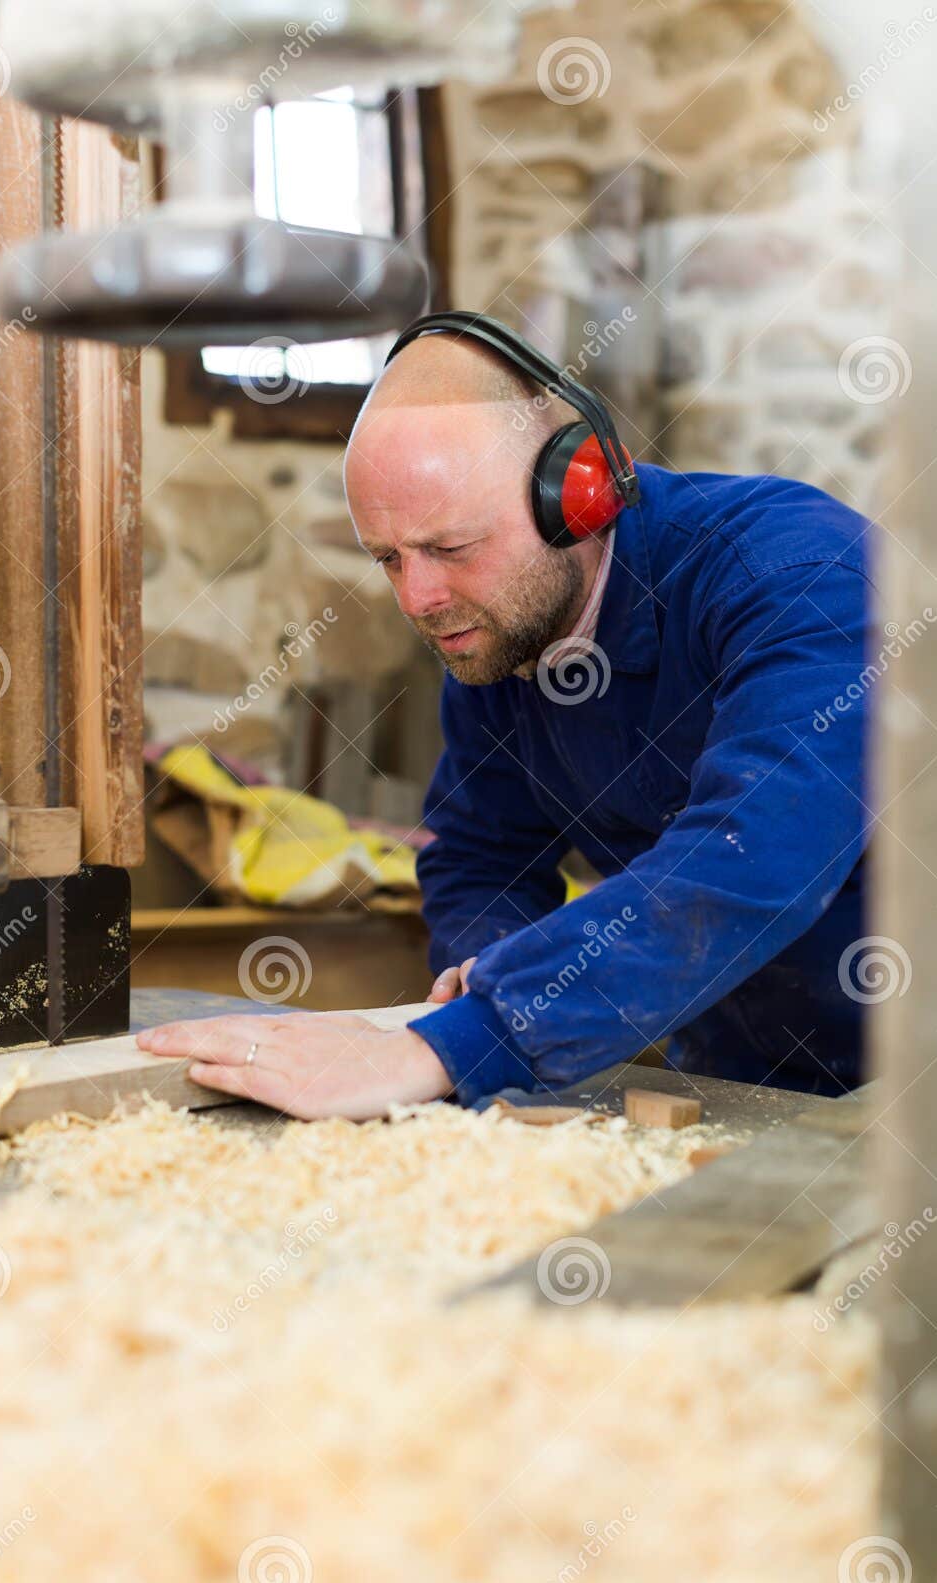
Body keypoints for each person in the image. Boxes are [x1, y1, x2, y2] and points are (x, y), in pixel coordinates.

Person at [138, 313, 874, 1119]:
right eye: (387, 557)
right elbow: (481, 855)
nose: (418, 598)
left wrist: (458, 1043)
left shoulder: (803, 575)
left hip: (916, 1066)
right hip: (736, 1076)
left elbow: (759, 851)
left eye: (450, 547)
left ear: (581, 495)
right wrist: (485, 967)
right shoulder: (502, 631)